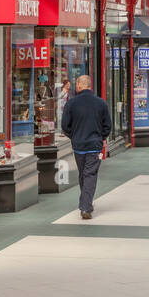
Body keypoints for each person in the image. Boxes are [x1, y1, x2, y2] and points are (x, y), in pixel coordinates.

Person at [60, 74, 111, 220]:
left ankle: (85, 205)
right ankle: (86, 205)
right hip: (94, 145)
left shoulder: (71, 103)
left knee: (83, 174)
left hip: (78, 146)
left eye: (76, 85)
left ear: (79, 85)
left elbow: (65, 126)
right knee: (89, 174)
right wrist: (101, 137)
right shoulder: (101, 103)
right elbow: (108, 125)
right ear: (90, 86)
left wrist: (74, 136)